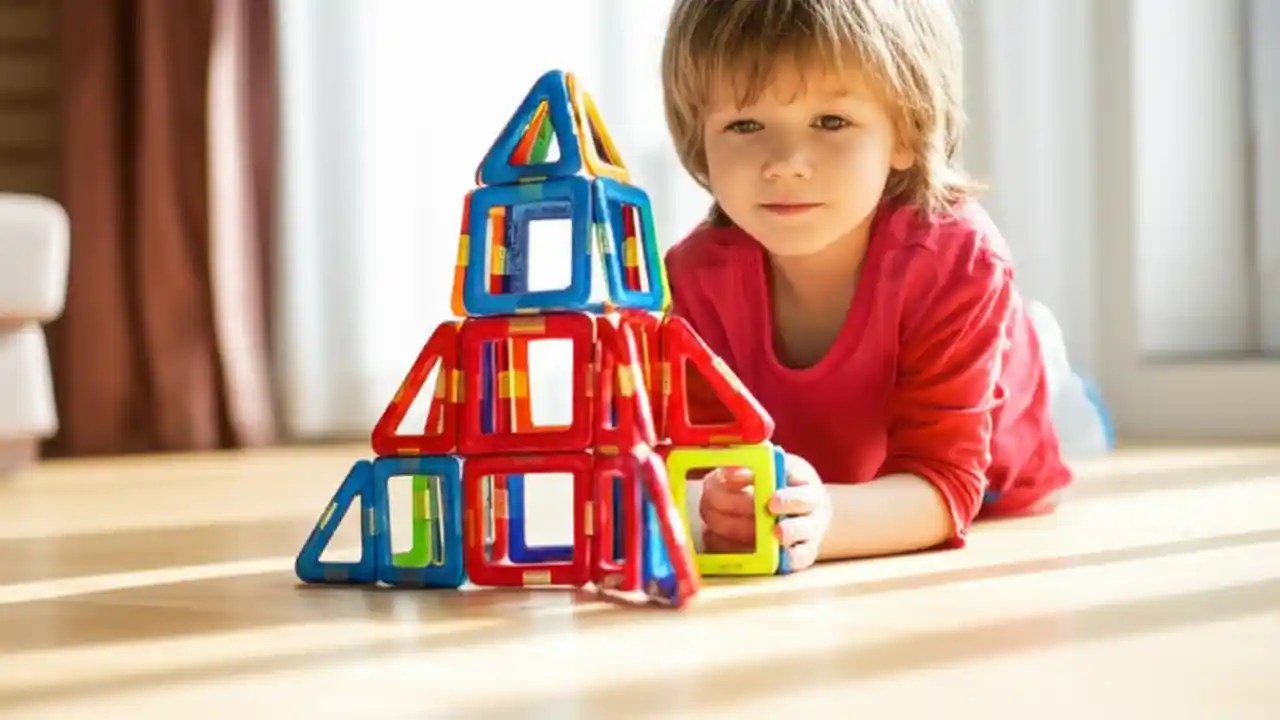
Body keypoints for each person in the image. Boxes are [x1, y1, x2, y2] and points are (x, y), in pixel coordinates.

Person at [658, 0, 1074, 572]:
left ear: (905, 132)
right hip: (840, 467)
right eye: (744, 125)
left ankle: (1040, 347)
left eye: (831, 122)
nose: (786, 162)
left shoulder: (957, 261)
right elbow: (697, 466)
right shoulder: (692, 280)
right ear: (699, 136)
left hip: (997, 472)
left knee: (1046, 387)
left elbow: (945, 485)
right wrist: (718, 502)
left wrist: (824, 521)